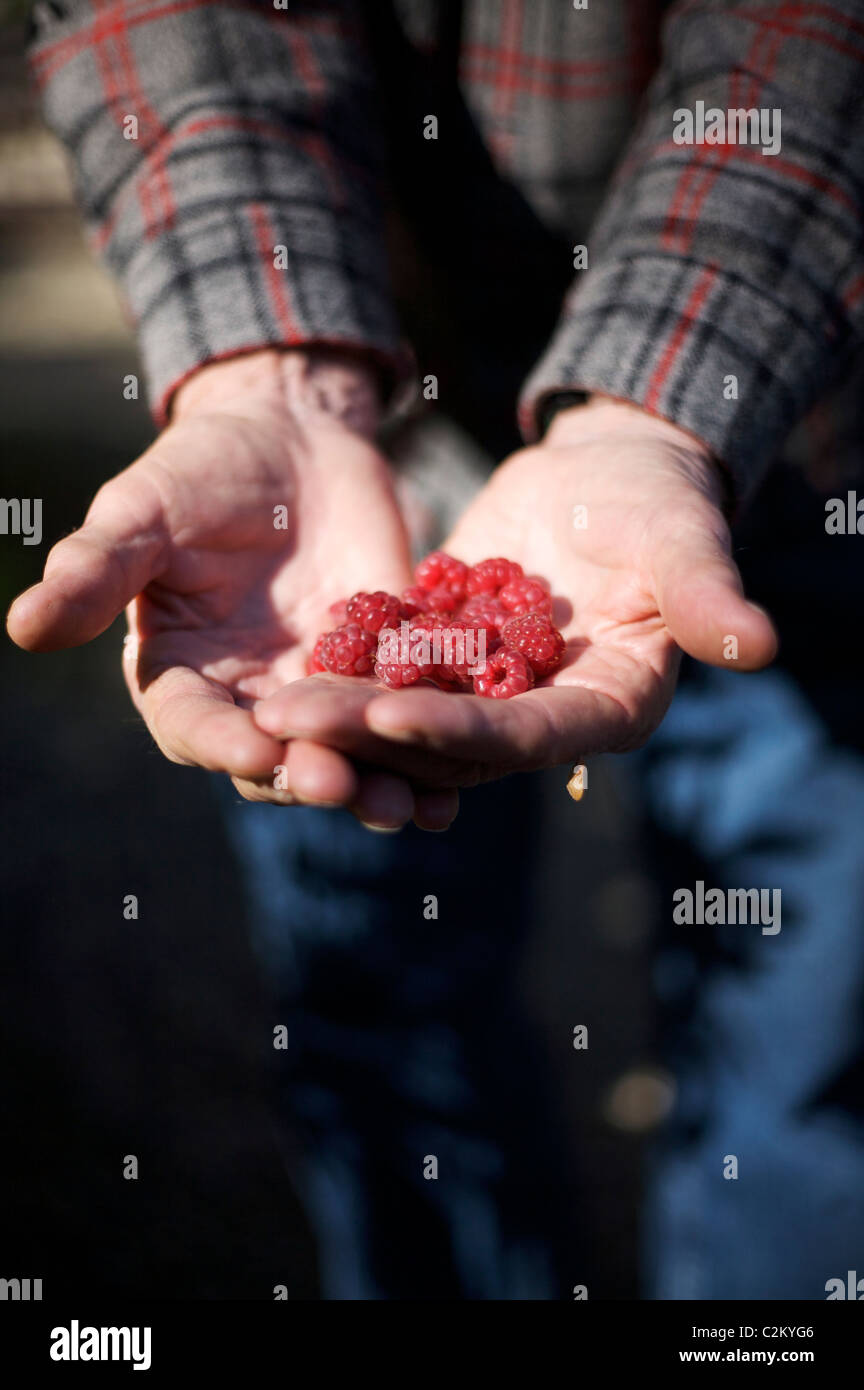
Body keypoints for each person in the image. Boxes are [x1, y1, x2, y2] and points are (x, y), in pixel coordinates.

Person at [9, 0, 864, 1298]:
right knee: (375, 1005)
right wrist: (267, 363)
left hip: (779, 416)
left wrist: (658, 400)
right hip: (373, 423)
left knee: (804, 1039)